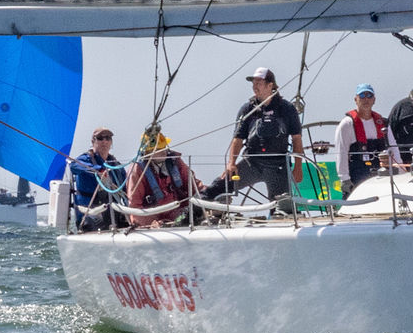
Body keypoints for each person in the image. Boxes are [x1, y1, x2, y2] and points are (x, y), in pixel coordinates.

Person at [204, 68, 306, 203]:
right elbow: (238, 139)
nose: (254, 86)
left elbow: (296, 139)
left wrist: (298, 167)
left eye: (259, 83)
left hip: (278, 165)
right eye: (253, 83)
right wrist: (231, 163)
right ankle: (194, 209)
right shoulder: (247, 109)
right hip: (252, 162)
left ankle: (281, 212)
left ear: (270, 85)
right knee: (217, 187)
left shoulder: (287, 108)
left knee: (282, 205)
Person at [334, 84, 402, 197]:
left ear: (374, 100)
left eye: (369, 96)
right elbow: (341, 152)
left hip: (381, 172)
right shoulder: (347, 124)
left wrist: (400, 169)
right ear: (356, 99)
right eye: (362, 96)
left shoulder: (383, 123)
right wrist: (344, 179)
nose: (366, 99)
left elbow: (393, 147)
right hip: (357, 173)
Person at [126, 125, 199, 227]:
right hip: (154, 219)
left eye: (164, 147)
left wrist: (208, 199)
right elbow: (134, 207)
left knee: (198, 210)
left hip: (179, 214)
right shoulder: (138, 170)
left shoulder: (175, 162)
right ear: (147, 152)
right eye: (158, 149)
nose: (163, 151)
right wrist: (149, 224)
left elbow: (195, 186)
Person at [69, 128, 129, 230]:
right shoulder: (86, 159)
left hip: (112, 211)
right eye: (100, 138)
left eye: (108, 138)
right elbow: (74, 166)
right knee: (100, 223)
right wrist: (97, 170)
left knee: (130, 223)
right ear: (93, 141)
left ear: (111, 142)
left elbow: (125, 190)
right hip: (90, 212)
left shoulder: (116, 165)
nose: (104, 141)